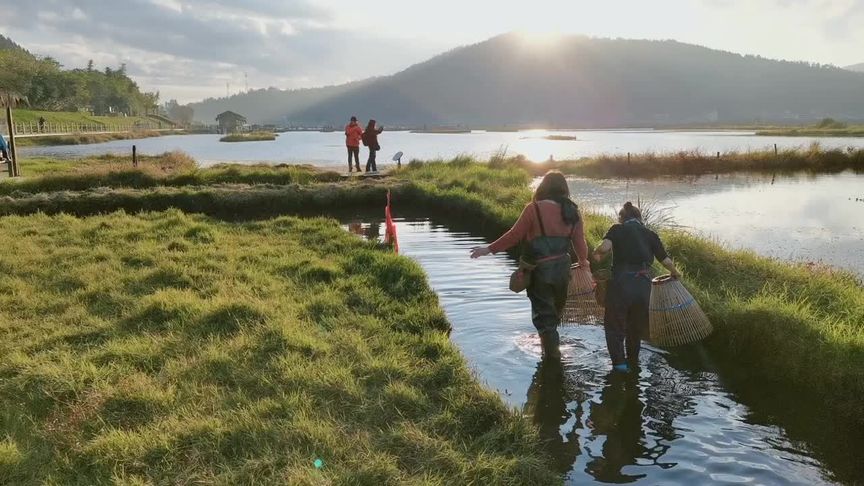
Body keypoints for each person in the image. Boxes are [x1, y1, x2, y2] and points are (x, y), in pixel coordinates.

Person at [471, 171, 590, 359]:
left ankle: (551, 364)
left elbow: (514, 235)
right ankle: (551, 354)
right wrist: (584, 261)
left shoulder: (533, 209)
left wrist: (489, 249)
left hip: (540, 272)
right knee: (555, 316)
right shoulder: (573, 211)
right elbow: (580, 242)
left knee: (545, 320)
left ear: (543, 187)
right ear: (564, 189)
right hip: (562, 272)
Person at [592, 202, 681, 373]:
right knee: (635, 328)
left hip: (621, 285)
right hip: (643, 287)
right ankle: (633, 364)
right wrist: (675, 273)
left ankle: (619, 367)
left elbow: (604, 248)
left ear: (622, 218)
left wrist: (596, 254)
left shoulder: (617, 229)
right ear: (639, 218)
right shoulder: (650, 234)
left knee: (614, 328)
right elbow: (665, 260)